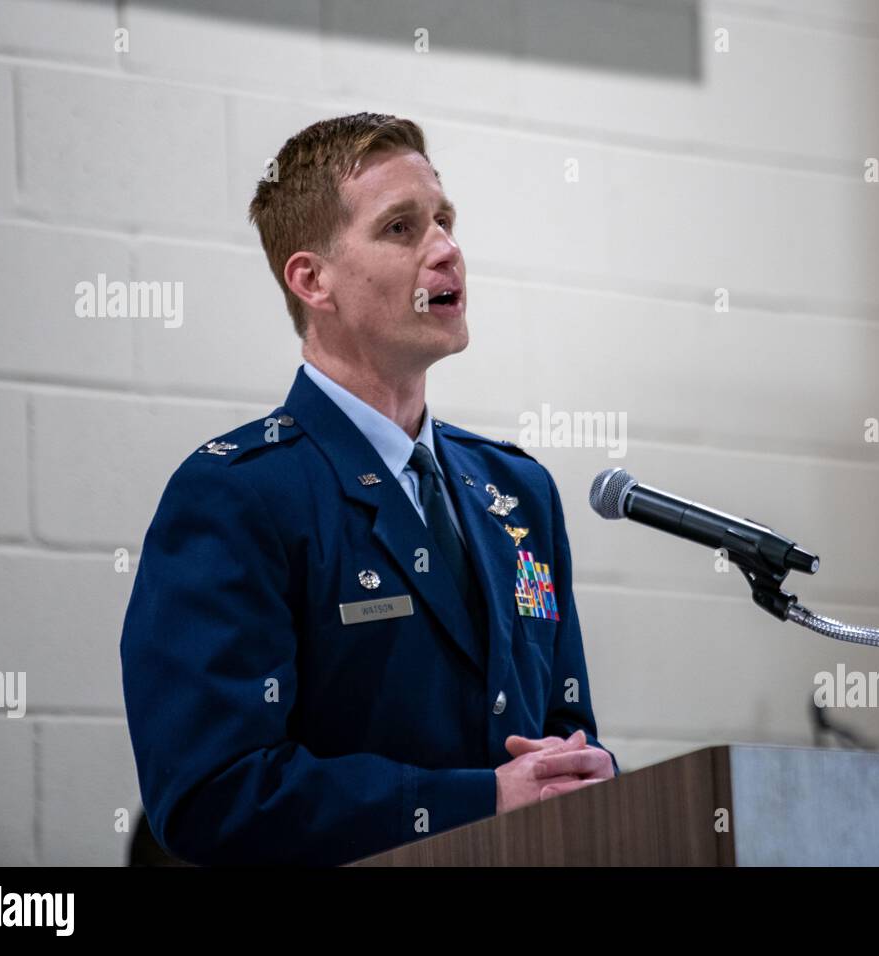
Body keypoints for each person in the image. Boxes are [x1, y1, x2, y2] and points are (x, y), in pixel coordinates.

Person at [120, 113, 617, 866]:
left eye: (444, 220)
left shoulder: (517, 492)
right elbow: (211, 793)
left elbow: (562, 730)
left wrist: (592, 777)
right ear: (312, 279)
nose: (447, 249)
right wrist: (479, 802)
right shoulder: (236, 496)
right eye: (400, 228)